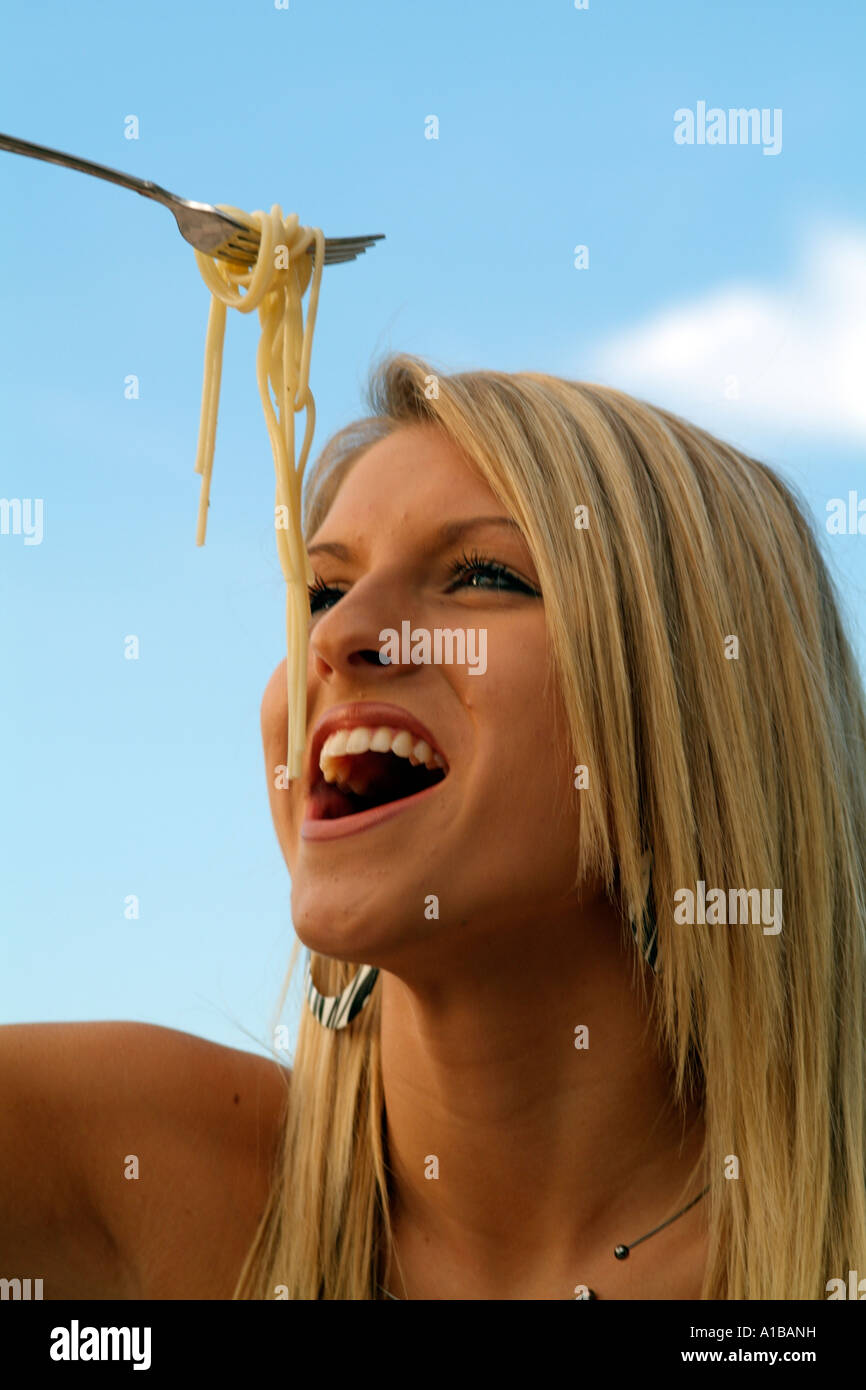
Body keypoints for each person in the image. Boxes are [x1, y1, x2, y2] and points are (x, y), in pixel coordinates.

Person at [3, 354, 865, 1300]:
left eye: (482, 577)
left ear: (698, 721)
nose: (338, 637)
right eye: (324, 591)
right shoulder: (140, 1172)